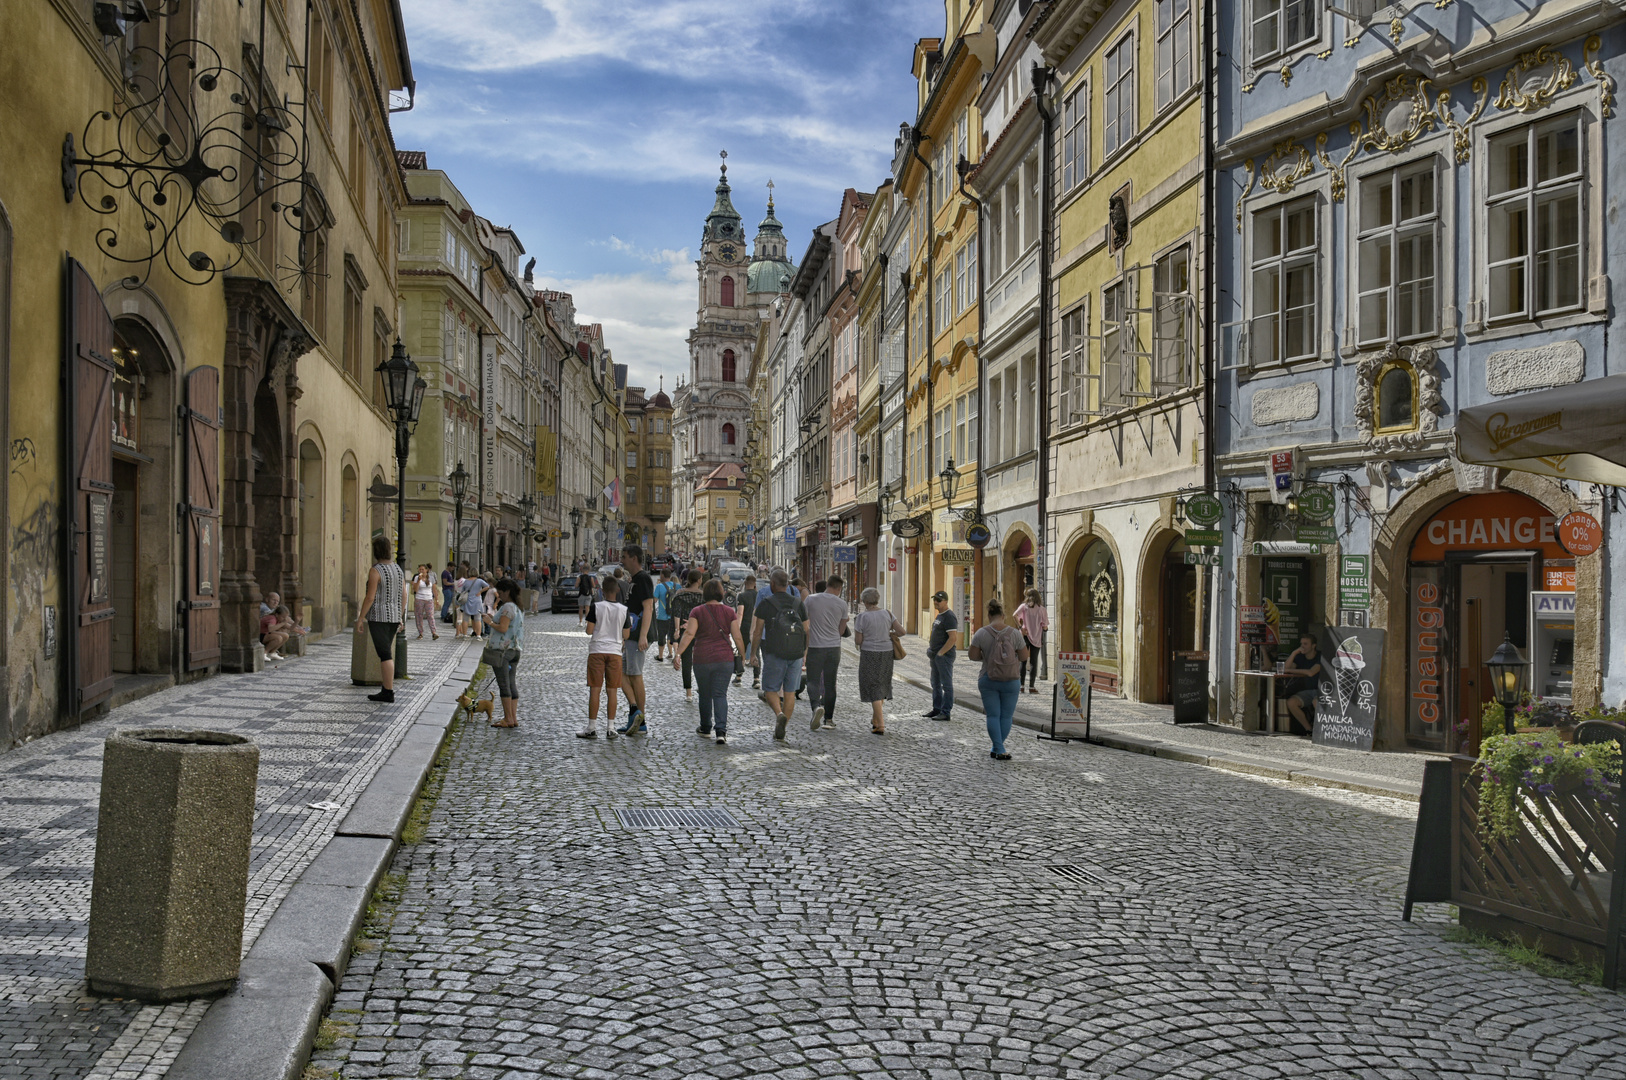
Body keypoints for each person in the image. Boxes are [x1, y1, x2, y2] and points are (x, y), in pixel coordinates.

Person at [669, 579, 745, 744]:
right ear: (721, 593)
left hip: (702, 658)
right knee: (720, 694)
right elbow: (737, 636)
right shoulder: (729, 612)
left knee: (704, 694)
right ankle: (721, 731)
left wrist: (678, 654)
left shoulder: (697, 611)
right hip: (724, 658)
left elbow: (689, 634)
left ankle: (705, 727)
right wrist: (743, 655)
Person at [969, 598, 1029, 761]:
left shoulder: (981, 633)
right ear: (1003, 616)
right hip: (1011, 680)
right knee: (1006, 716)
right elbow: (1024, 657)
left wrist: (987, 657)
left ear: (989, 615)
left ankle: (998, 748)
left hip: (988, 679)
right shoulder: (1015, 633)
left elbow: (972, 656)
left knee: (993, 716)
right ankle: (998, 748)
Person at [752, 570, 807, 741]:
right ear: (788, 584)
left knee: (770, 690)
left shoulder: (766, 603)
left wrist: (753, 653)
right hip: (796, 653)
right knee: (790, 692)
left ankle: (779, 714)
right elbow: (806, 629)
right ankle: (782, 728)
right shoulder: (798, 603)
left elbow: (757, 632)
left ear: (772, 584)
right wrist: (804, 652)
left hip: (774, 652)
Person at [354, 537, 407, 704]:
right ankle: (386, 688)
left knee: (385, 654)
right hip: (393, 617)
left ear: (376, 551)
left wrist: (361, 618)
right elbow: (404, 595)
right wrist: (400, 615)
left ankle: (388, 691)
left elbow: (370, 597)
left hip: (379, 618)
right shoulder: (398, 569)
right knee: (386, 653)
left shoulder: (375, 570)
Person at [578, 576, 628, 738]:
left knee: (595, 689)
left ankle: (591, 727)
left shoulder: (596, 607)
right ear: (617, 590)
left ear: (603, 590)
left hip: (597, 651)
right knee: (612, 691)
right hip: (615, 652)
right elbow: (626, 634)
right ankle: (611, 728)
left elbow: (589, 631)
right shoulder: (623, 610)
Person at [851, 587, 904, 735]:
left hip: (869, 653)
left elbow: (858, 640)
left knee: (873, 686)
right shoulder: (887, 613)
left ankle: (880, 724)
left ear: (864, 601)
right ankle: (875, 719)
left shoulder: (862, 617)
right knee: (882, 684)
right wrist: (887, 633)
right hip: (887, 653)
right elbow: (902, 632)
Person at [616, 545, 657, 736]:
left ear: (634, 558)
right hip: (630, 635)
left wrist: (643, 636)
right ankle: (635, 713)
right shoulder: (633, 579)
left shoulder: (643, 579)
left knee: (635, 674)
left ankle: (641, 721)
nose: (622, 560)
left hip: (638, 634)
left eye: (624, 556)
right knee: (621, 674)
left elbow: (648, 607)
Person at [802, 574, 849, 731]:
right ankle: (828, 719)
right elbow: (841, 631)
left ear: (827, 584)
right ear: (839, 588)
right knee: (830, 684)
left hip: (815, 647)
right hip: (833, 648)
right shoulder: (842, 604)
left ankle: (816, 707)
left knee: (812, 681)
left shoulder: (810, 599)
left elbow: (804, 622)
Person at [481, 578, 525, 728]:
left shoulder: (507, 607)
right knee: (511, 684)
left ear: (507, 592)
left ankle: (507, 719)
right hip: (515, 650)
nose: (499, 596)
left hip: (502, 651)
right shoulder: (518, 607)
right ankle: (513, 718)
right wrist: (493, 619)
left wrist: (489, 622)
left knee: (504, 685)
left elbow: (503, 628)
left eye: (500, 593)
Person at [668, 569, 705, 700]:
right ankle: (701, 686)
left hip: (684, 630)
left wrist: (677, 629)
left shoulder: (680, 595)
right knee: (701, 660)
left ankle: (689, 692)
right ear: (699, 580)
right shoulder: (703, 596)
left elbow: (676, 613)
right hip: (700, 630)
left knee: (687, 661)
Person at [925, 590, 960, 721]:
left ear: (945, 601)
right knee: (935, 683)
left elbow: (953, 638)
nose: (936, 602)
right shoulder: (940, 615)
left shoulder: (949, 616)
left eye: (938, 600)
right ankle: (937, 709)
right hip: (935, 656)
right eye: (934, 600)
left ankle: (946, 712)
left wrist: (941, 653)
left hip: (944, 656)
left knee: (946, 684)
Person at [1282, 631, 1323, 736]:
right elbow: (1285, 668)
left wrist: (1290, 670)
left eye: (1305, 644)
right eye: (1301, 644)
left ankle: (1322, 730)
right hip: (1307, 691)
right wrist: (1293, 653)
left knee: (1316, 702)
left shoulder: (1320, 656)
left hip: (1321, 690)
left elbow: (1311, 672)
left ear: (1313, 646)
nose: (1302, 646)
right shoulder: (1300, 657)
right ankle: (1309, 729)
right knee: (1291, 702)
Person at [1014, 588, 1049, 693]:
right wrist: (1044, 628)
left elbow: (1014, 615)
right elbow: (1045, 626)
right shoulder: (1042, 609)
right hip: (1036, 637)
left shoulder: (1024, 607)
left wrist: (1021, 627)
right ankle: (1032, 687)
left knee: (1023, 661)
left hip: (1025, 635)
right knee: (1034, 662)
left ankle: (1021, 686)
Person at [735, 573, 759, 688]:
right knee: (756, 652)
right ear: (755, 584)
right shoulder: (759, 596)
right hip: (756, 627)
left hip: (745, 627)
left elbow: (740, 613)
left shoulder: (742, 596)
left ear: (745, 584)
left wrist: (737, 628)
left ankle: (738, 677)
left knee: (741, 651)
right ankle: (756, 679)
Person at [412, 565, 440, 640]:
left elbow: (434, 589)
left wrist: (437, 600)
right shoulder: (416, 577)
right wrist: (418, 580)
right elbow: (415, 589)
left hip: (429, 599)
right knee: (419, 616)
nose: (421, 571)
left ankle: (434, 632)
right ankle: (420, 633)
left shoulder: (431, 578)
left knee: (430, 615)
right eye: (420, 569)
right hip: (419, 598)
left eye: (423, 569)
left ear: (426, 570)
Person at [652, 569, 675, 661]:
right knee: (672, 635)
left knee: (661, 636)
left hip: (662, 616)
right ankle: (673, 654)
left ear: (662, 575)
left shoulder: (659, 586)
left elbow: (654, 600)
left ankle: (660, 656)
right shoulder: (676, 586)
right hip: (673, 616)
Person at [461, 568, 489, 640]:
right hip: (477, 601)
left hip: (467, 601)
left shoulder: (466, 581)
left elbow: (462, 591)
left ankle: (464, 634)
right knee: (478, 619)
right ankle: (478, 635)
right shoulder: (479, 581)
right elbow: (487, 586)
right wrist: (480, 591)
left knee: (465, 619)